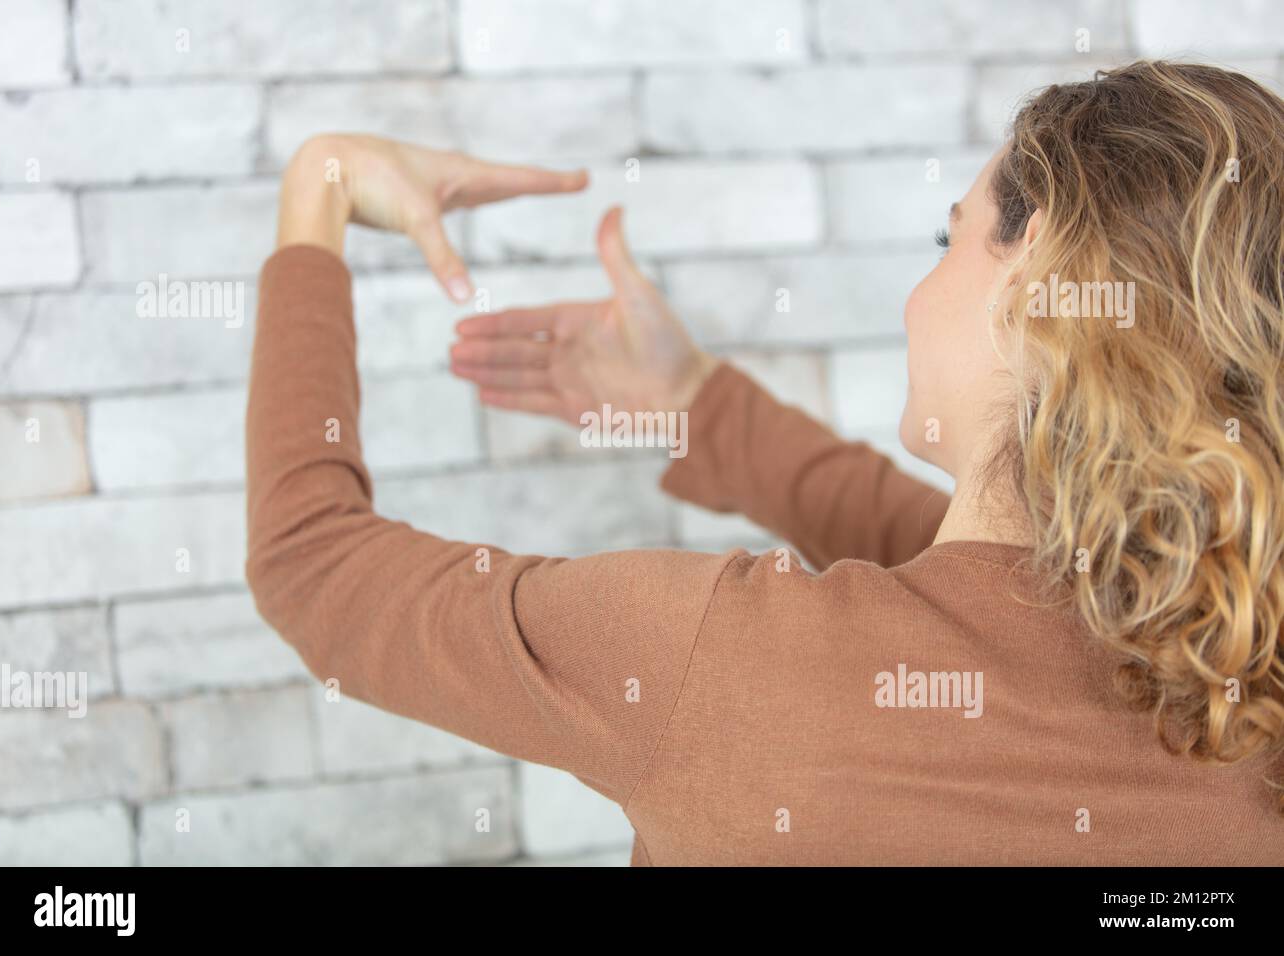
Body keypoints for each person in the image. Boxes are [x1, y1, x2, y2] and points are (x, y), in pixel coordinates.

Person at [246, 60, 1284, 864]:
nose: (919, 288)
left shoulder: (708, 663)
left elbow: (312, 562)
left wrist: (319, 195)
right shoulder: (1246, 691)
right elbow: (972, 592)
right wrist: (699, 407)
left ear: (1036, 284)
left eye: (948, 236)